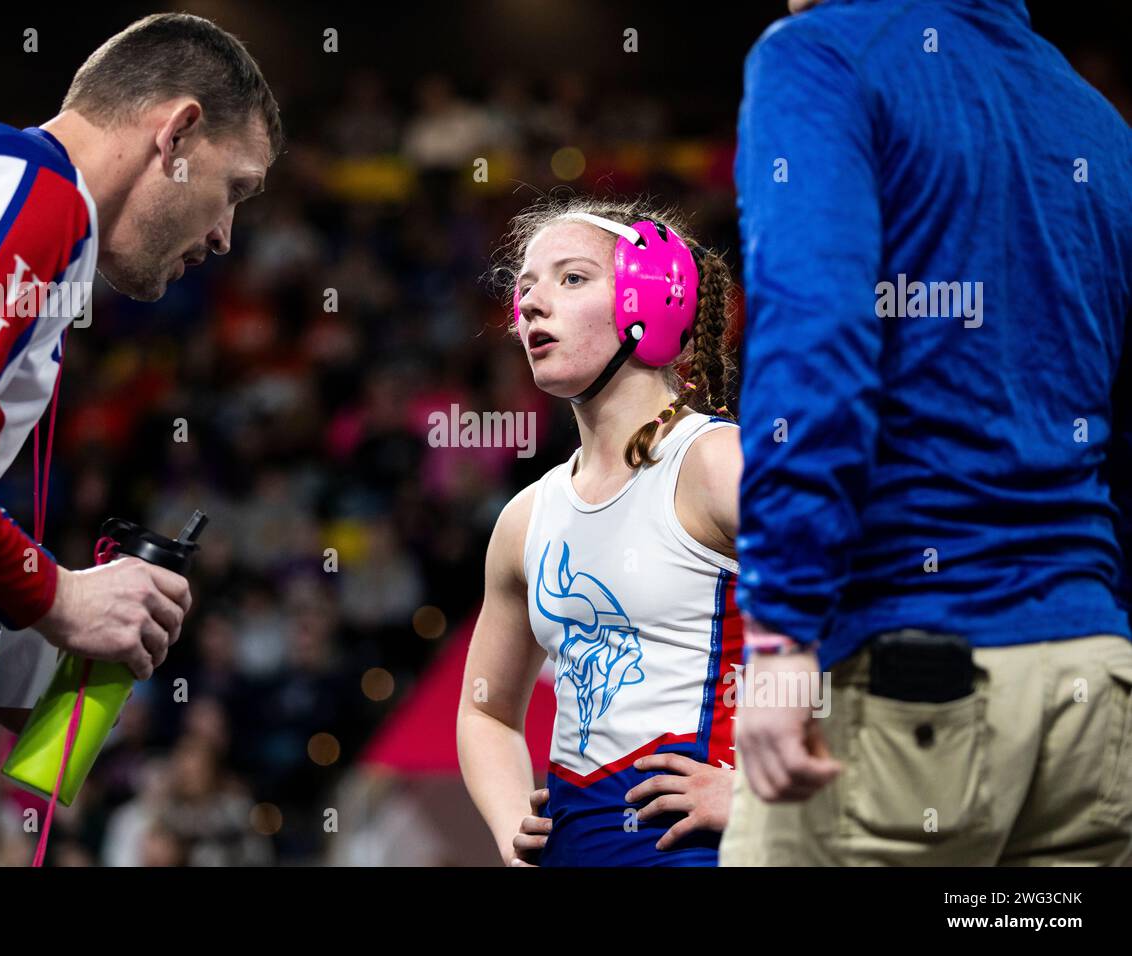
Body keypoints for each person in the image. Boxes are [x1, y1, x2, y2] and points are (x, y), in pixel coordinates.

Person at [0, 12, 282, 866]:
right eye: (236, 188)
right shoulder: (30, 186)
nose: (227, 234)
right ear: (178, 130)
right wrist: (58, 597)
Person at [724, 0, 1132, 865]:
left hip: (909, 681)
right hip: (1097, 686)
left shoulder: (820, 56)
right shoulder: (1094, 117)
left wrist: (781, 631)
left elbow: (815, 340)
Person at [457, 195, 743, 866]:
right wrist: (509, 827)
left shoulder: (714, 464)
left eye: (572, 277)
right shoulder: (525, 517)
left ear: (654, 302)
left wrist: (765, 792)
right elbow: (485, 710)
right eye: (523, 287)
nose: (530, 304)